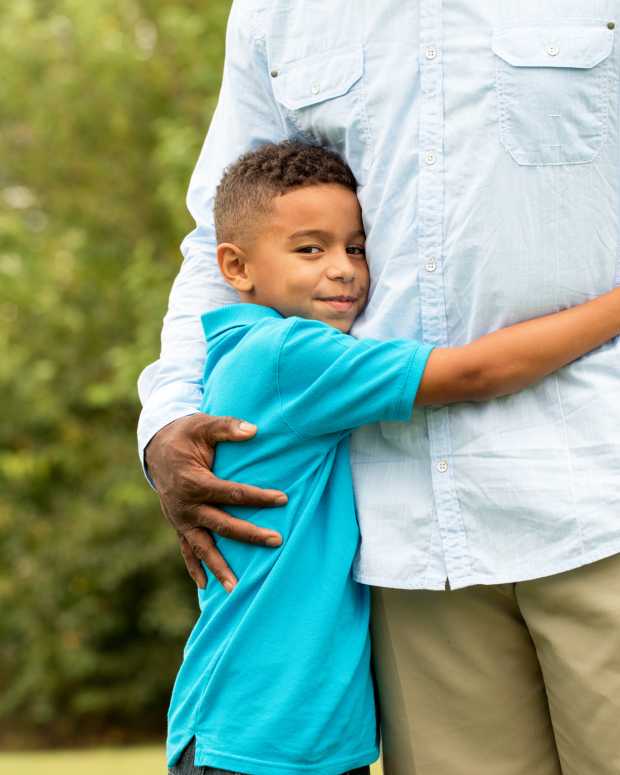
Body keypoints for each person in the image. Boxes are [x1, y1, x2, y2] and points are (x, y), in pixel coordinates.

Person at [139, 4, 620, 773]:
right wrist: (165, 420)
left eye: (349, 248)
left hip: (599, 499)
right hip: (405, 539)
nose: (340, 265)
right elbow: (221, 234)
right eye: (316, 248)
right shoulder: (275, 11)